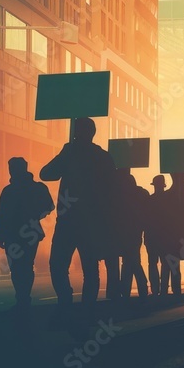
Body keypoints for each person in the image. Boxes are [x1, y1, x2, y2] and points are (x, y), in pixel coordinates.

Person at [40, 118, 117, 324]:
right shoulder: (103, 157)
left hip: (69, 220)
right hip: (91, 223)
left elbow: (46, 173)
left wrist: (66, 155)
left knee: (58, 265)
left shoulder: (71, 153)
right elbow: (112, 192)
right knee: (90, 269)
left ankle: (66, 305)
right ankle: (87, 310)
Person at [0, 157, 52, 308]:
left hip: (12, 234)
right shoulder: (37, 188)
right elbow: (49, 206)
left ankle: (22, 296)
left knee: (18, 267)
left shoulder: (9, 190)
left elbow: (2, 215)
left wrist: (0, 236)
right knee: (26, 265)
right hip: (29, 232)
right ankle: (23, 296)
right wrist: (36, 215)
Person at [117, 171, 150, 299]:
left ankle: (127, 289)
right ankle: (140, 287)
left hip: (125, 231)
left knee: (129, 261)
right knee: (133, 259)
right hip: (137, 231)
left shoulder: (122, 195)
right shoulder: (141, 194)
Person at [145, 175, 169, 296]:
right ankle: (164, 288)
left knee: (152, 263)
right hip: (165, 237)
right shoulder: (169, 200)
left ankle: (155, 288)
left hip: (152, 236)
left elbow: (145, 219)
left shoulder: (149, 200)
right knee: (166, 263)